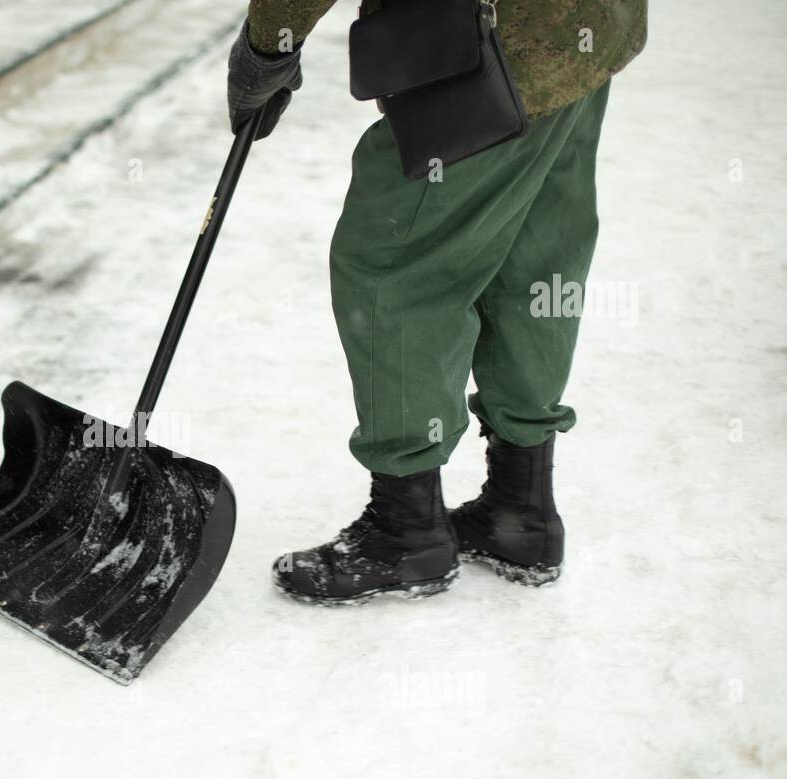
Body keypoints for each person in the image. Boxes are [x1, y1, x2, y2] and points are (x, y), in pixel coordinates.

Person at [227, 0, 648, 604]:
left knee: (396, 266)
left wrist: (268, 42)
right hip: (579, 30)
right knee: (533, 256)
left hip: (491, 40)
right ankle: (519, 512)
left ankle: (407, 531)